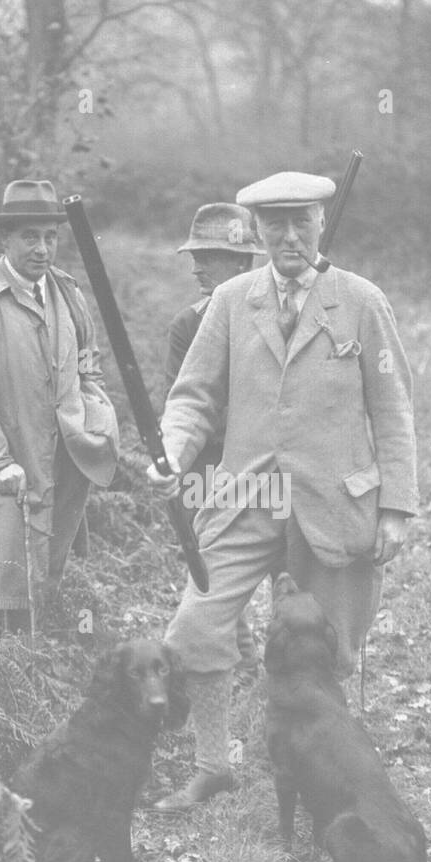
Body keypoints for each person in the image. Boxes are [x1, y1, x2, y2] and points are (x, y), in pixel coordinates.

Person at [148, 171, 417, 808]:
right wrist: (172, 454)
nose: (289, 236)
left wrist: (397, 507)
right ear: (258, 232)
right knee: (196, 625)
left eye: (302, 222)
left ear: (321, 223)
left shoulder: (361, 300)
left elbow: (394, 409)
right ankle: (214, 764)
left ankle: (324, 767)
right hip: (246, 498)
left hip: (334, 500)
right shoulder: (233, 300)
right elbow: (193, 396)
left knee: (327, 647)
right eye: (275, 225)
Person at [0, 180, 119, 634]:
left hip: (58, 462)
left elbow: (88, 366)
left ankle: (29, 674)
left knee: (43, 577)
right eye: (29, 237)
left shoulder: (69, 296)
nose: (42, 249)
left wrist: (94, 421)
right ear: (5, 240)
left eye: (50, 237)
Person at [165, 202, 263, 676]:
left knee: (290, 568)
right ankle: (241, 658)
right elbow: (187, 405)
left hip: (268, 467)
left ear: (244, 261)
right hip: (207, 468)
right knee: (211, 573)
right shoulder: (189, 325)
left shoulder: (280, 318)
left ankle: (288, 672)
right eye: (195, 256)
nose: (197, 267)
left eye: (211, 256)